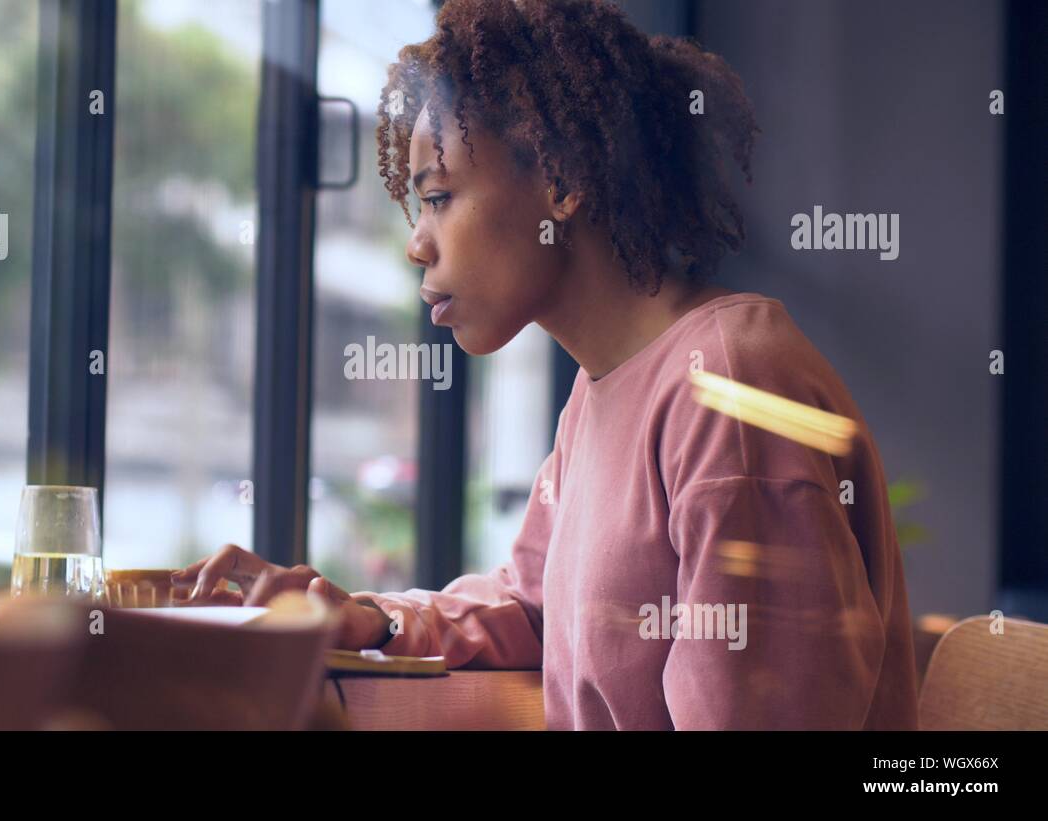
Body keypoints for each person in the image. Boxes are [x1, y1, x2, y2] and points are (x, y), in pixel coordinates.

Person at [175, 0, 918, 730]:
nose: (416, 243)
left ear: (560, 181)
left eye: (438, 197)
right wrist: (367, 618)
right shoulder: (604, 389)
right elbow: (533, 604)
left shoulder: (725, 387)